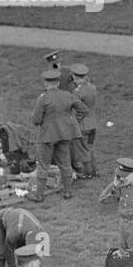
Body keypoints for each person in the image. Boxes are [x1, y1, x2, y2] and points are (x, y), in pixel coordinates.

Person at [29, 68, 87, 202]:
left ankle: (39, 195)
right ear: (58, 83)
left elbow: (36, 121)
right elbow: (84, 110)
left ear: (46, 83)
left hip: (47, 136)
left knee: (43, 164)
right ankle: (67, 192)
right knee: (65, 163)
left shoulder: (43, 98)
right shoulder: (67, 95)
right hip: (64, 134)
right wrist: (72, 122)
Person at [69, 63, 98, 177]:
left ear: (75, 77)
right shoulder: (92, 87)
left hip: (83, 125)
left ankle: (88, 172)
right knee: (90, 148)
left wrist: (74, 121)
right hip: (92, 122)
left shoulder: (77, 92)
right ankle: (94, 170)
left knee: (83, 149)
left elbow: (79, 110)